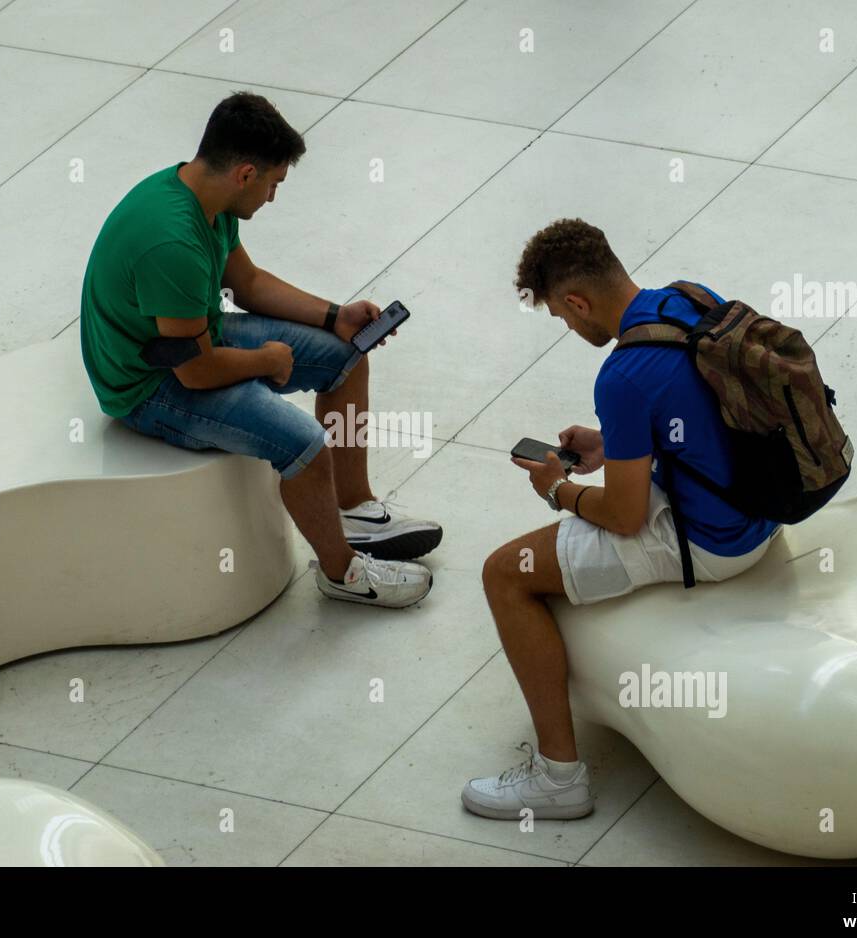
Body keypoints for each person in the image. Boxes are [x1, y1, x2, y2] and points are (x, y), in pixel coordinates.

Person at [462, 218, 783, 819]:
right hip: (763, 508)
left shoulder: (621, 375)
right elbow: (701, 411)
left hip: (716, 541)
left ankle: (558, 780)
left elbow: (626, 516)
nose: (567, 325)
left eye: (561, 314)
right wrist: (613, 444)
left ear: (577, 300)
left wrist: (557, 489)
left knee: (505, 573)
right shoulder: (688, 298)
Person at [80, 91, 441, 609]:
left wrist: (334, 317)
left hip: (192, 337)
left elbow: (246, 282)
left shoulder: (206, 197)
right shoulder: (173, 243)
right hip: (148, 385)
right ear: (246, 174)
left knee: (347, 358)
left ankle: (352, 506)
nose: (273, 197)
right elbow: (196, 372)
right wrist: (265, 362)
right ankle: (341, 574)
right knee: (305, 446)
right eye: (274, 183)